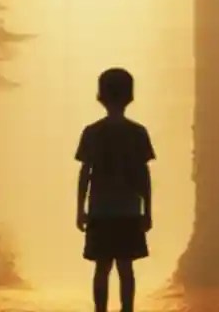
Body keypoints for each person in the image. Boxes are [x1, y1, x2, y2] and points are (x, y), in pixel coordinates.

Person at [76, 67, 155, 312]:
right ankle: (127, 309)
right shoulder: (137, 133)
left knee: (102, 267)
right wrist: (147, 211)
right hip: (129, 209)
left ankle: (100, 310)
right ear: (129, 96)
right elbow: (144, 176)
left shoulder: (92, 133)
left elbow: (84, 174)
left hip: (100, 209)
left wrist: (80, 209)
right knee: (125, 267)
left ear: (101, 96)